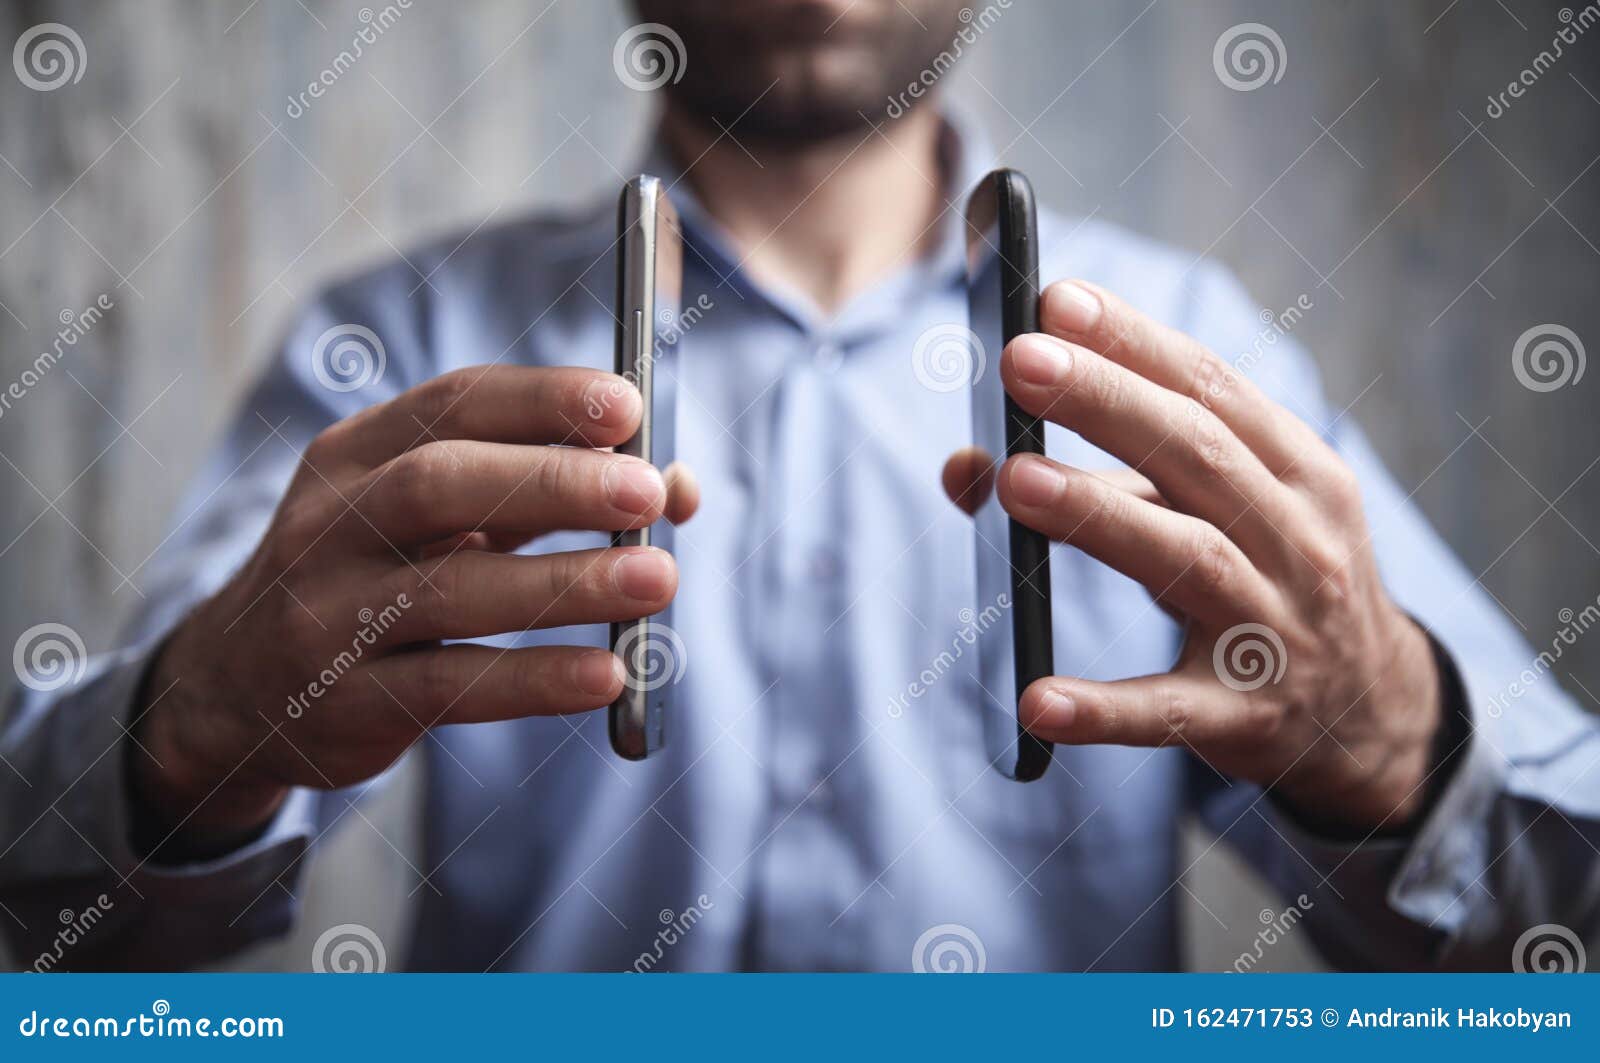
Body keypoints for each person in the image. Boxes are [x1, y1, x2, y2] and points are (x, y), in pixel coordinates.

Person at [2, 0, 1596, 972]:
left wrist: (1403, 743)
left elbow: (1557, 945)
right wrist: (189, 733)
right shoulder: (399, 345)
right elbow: (53, 931)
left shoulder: (1189, 354)